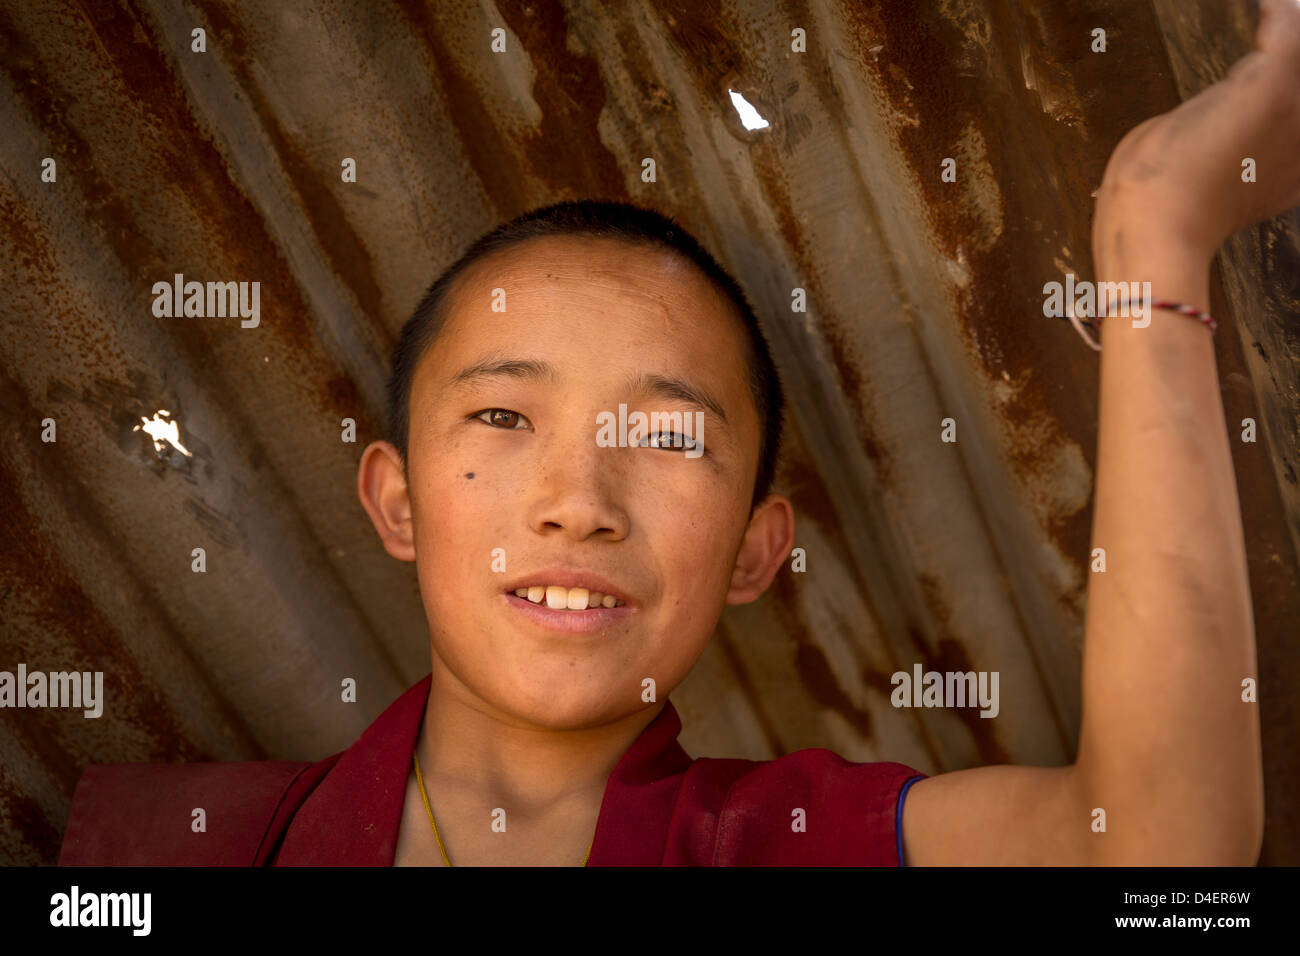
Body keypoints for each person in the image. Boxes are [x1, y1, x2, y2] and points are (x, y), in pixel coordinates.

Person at [61, 0, 1300, 867]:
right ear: (394, 499)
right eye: (501, 414)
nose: (577, 499)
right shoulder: (162, 844)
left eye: (664, 433)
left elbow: (1162, 846)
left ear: (760, 549)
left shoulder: (783, 844)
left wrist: (1154, 234)